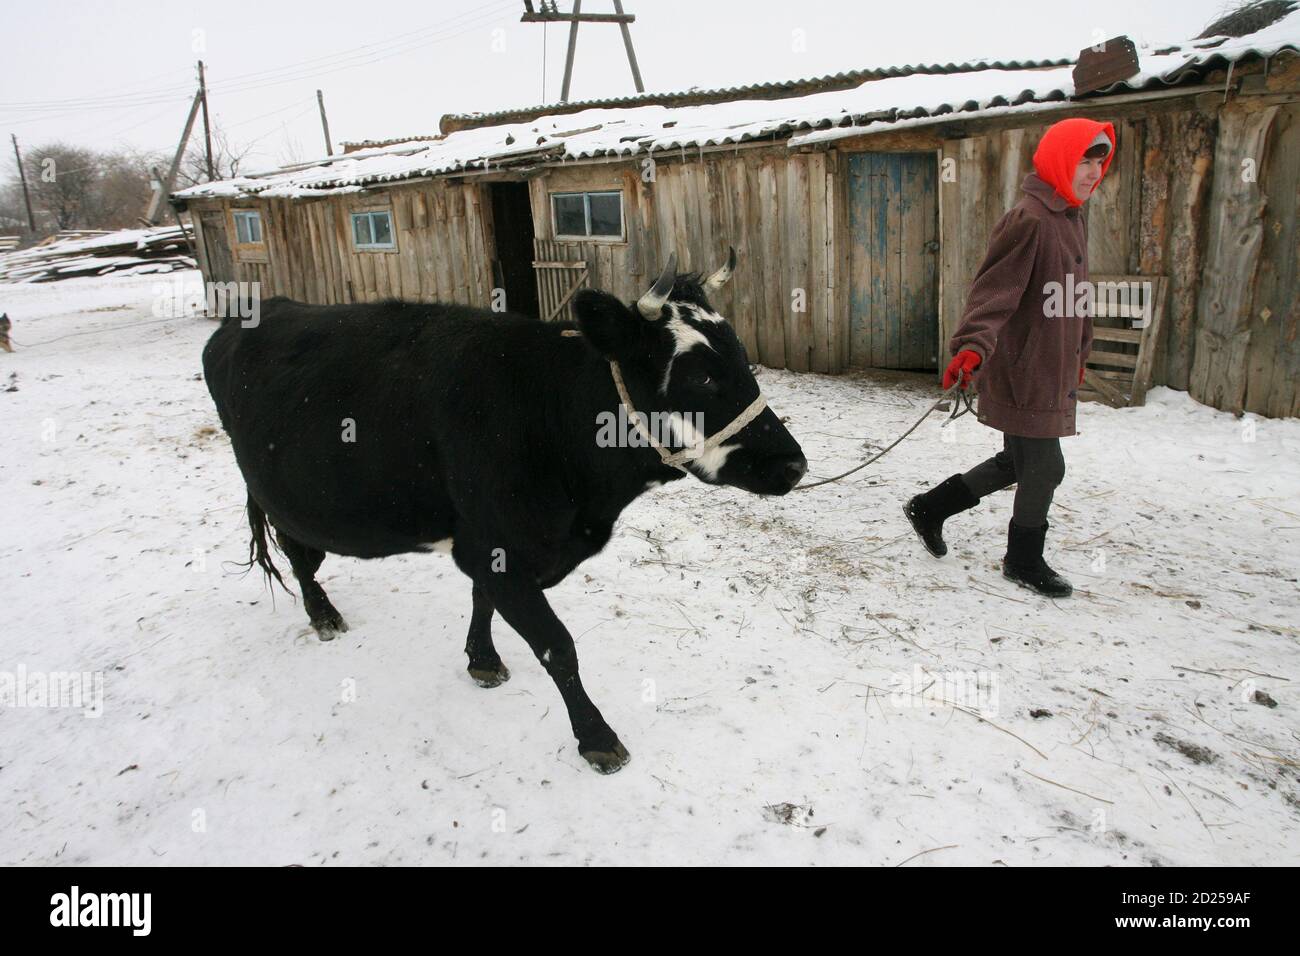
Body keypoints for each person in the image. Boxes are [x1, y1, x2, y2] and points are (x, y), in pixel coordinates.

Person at [904, 117, 1116, 598]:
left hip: (1052, 367)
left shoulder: (1070, 216)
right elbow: (993, 293)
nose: (1091, 172)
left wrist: (1081, 350)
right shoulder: (1030, 219)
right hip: (1025, 368)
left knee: (1019, 462)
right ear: (1061, 159)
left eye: (1099, 162)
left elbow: (1073, 295)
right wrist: (972, 347)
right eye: (1083, 160)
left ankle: (931, 507)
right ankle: (1023, 560)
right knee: (1045, 467)